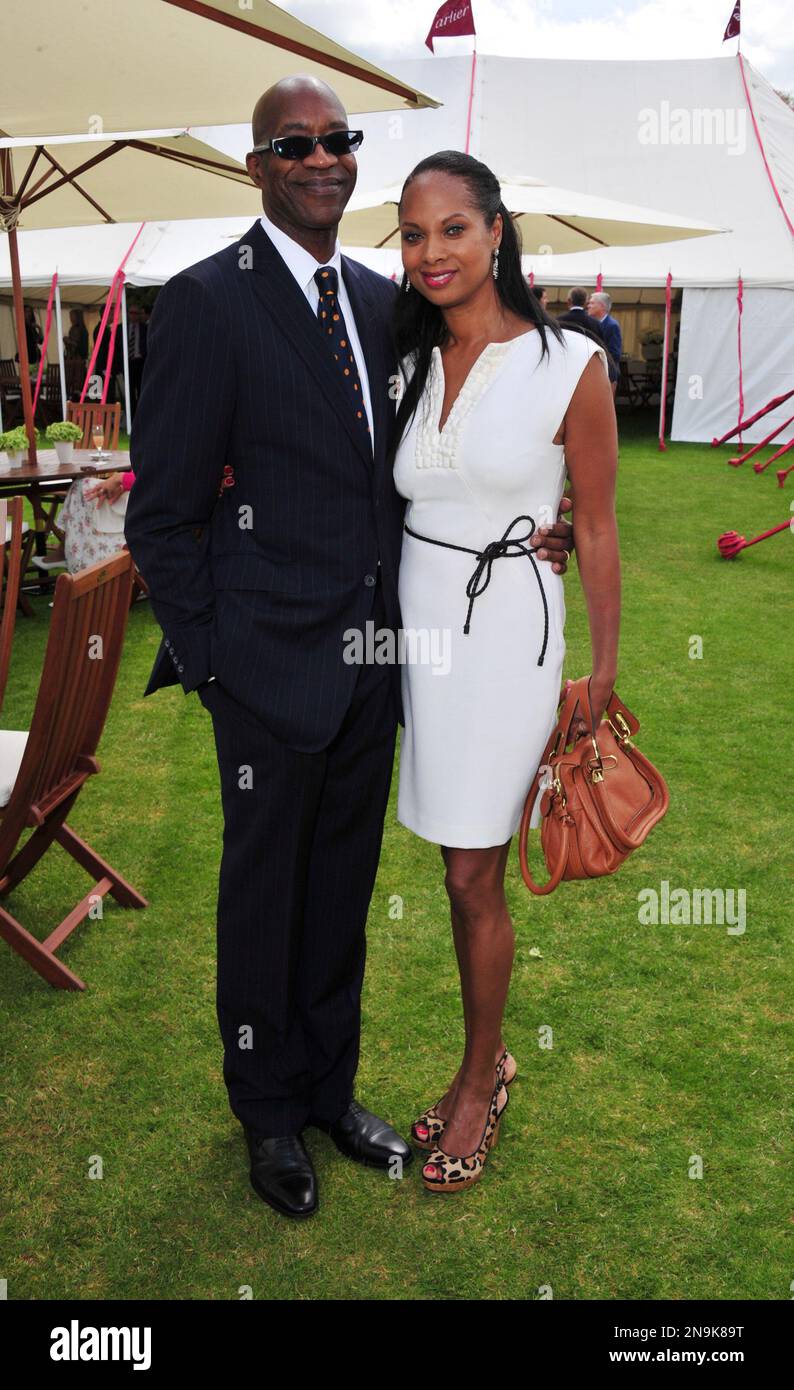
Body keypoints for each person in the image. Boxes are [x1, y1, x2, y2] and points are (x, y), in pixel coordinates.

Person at [124, 77, 576, 1221]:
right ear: (258, 165)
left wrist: (532, 522)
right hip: (264, 674)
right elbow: (161, 516)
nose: (322, 158)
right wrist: (219, 659)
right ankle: (265, 1111)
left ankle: (327, 1089)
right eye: (295, 143)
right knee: (262, 898)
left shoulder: (384, 302)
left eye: (337, 141)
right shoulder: (202, 304)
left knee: (340, 894)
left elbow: (453, 443)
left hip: (382, 667)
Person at [392, 151, 620, 1194]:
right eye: (411, 232)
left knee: (471, 870)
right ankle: (483, 1054)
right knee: (453, 861)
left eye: (451, 228)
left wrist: (604, 670)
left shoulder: (566, 362)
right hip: (420, 639)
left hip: (507, 642)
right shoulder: (404, 352)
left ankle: (482, 1076)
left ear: (495, 232)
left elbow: (601, 523)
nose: (431, 251)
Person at [587, 290, 622, 396]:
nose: (588, 306)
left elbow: (615, 353)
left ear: (602, 306)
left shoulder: (612, 326)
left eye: (592, 303)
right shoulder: (591, 323)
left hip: (607, 374)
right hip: (595, 373)